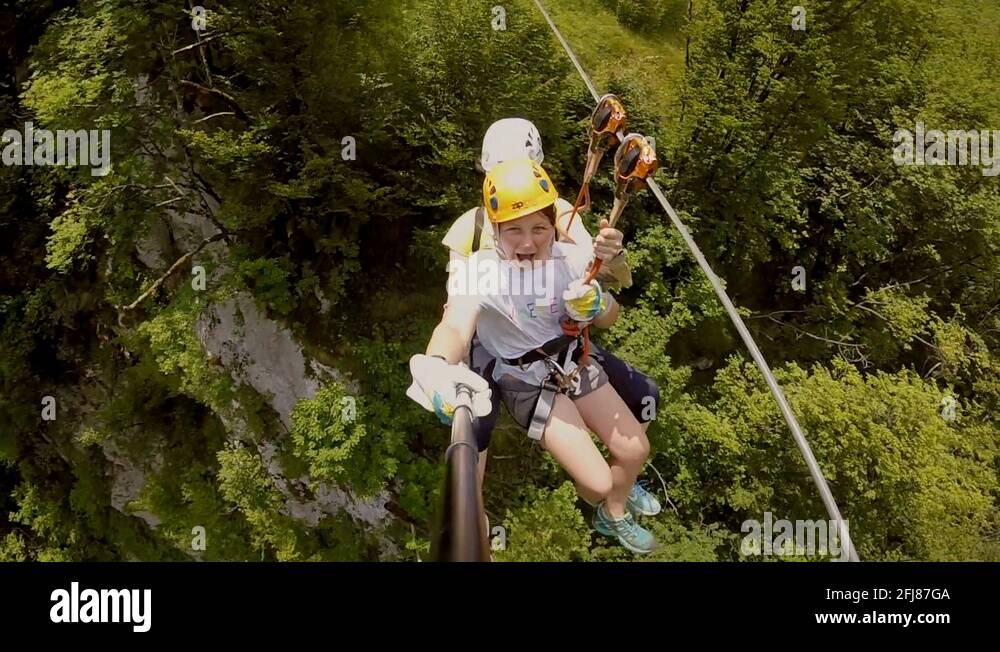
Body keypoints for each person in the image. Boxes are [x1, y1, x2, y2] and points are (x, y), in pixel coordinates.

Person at [409, 159, 658, 553]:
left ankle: (613, 515)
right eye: (514, 231)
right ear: (494, 232)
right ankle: (608, 501)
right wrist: (436, 364)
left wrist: (597, 304)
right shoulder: (481, 272)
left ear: (553, 226)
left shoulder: (570, 260)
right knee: (597, 482)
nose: (528, 243)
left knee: (635, 450)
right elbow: (456, 324)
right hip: (526, 379)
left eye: (539, 228)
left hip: (573, 360)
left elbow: (611, 317)